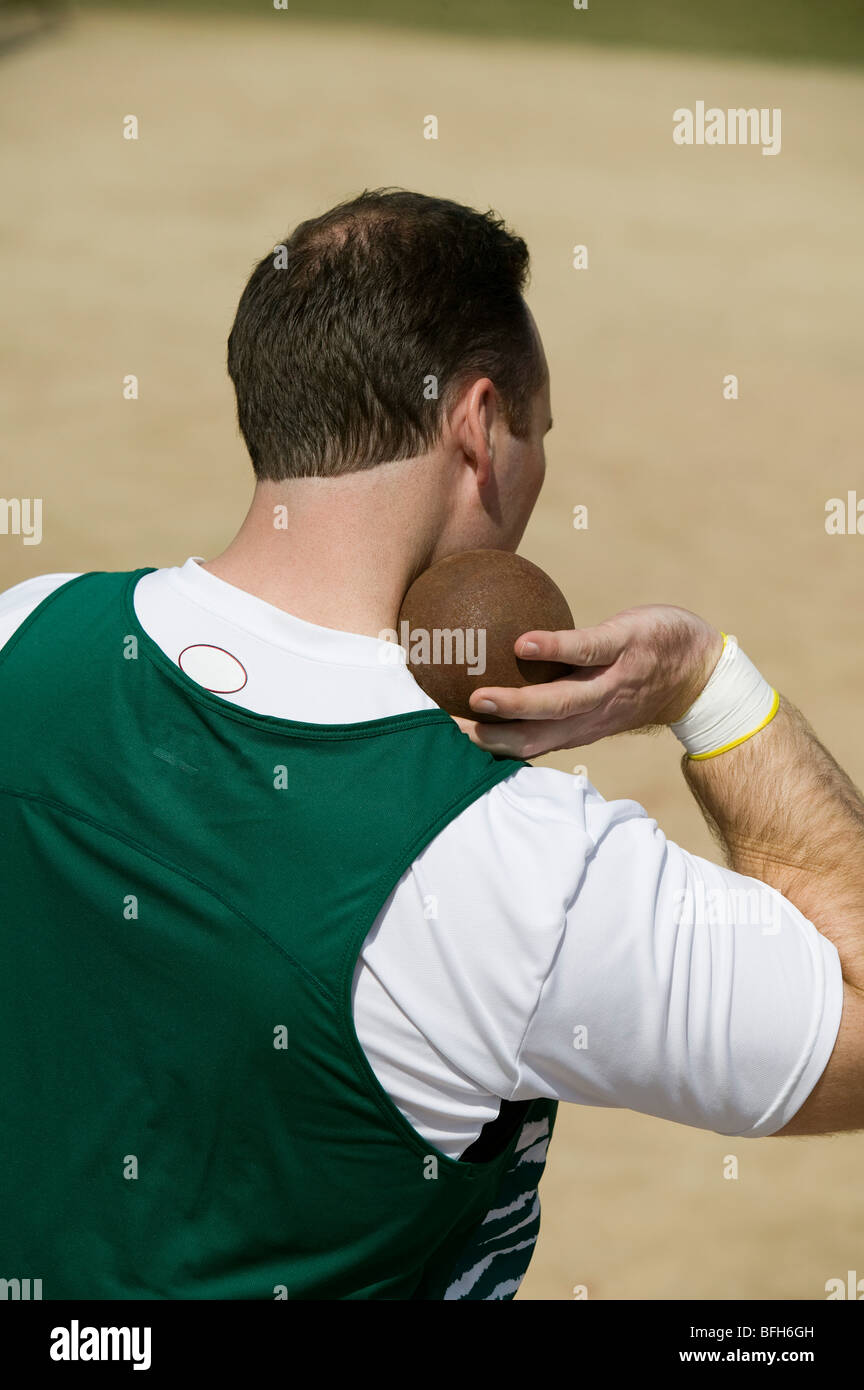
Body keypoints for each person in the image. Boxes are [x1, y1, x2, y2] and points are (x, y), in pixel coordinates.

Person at [0, 189, 859, 1302]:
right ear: (477, 420)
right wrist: (705, 684)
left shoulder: (27, 631)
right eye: (536, 435)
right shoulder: (511, 861)